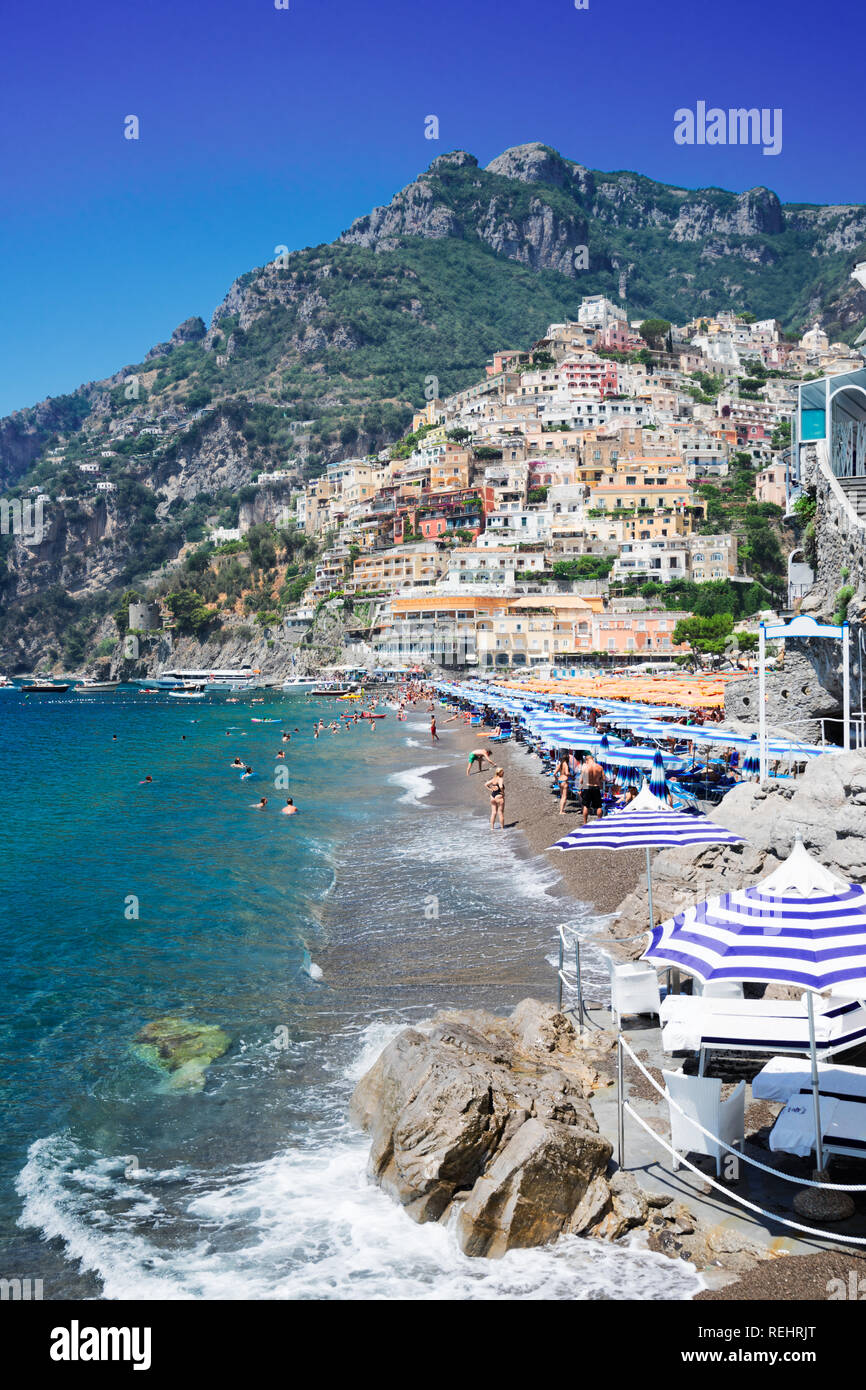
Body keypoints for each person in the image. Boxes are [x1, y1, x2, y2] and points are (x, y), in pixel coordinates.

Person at [579, 754, 604, 825]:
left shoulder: (585, 767)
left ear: (587, 760)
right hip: (596, 787)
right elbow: (604, 778)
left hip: (587, 787)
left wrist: (580, 789)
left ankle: (585, 822)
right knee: (599, 806)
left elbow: (581, 780)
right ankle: (599, 821)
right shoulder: (599, 767)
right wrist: (598, 780)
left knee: (586, 806)